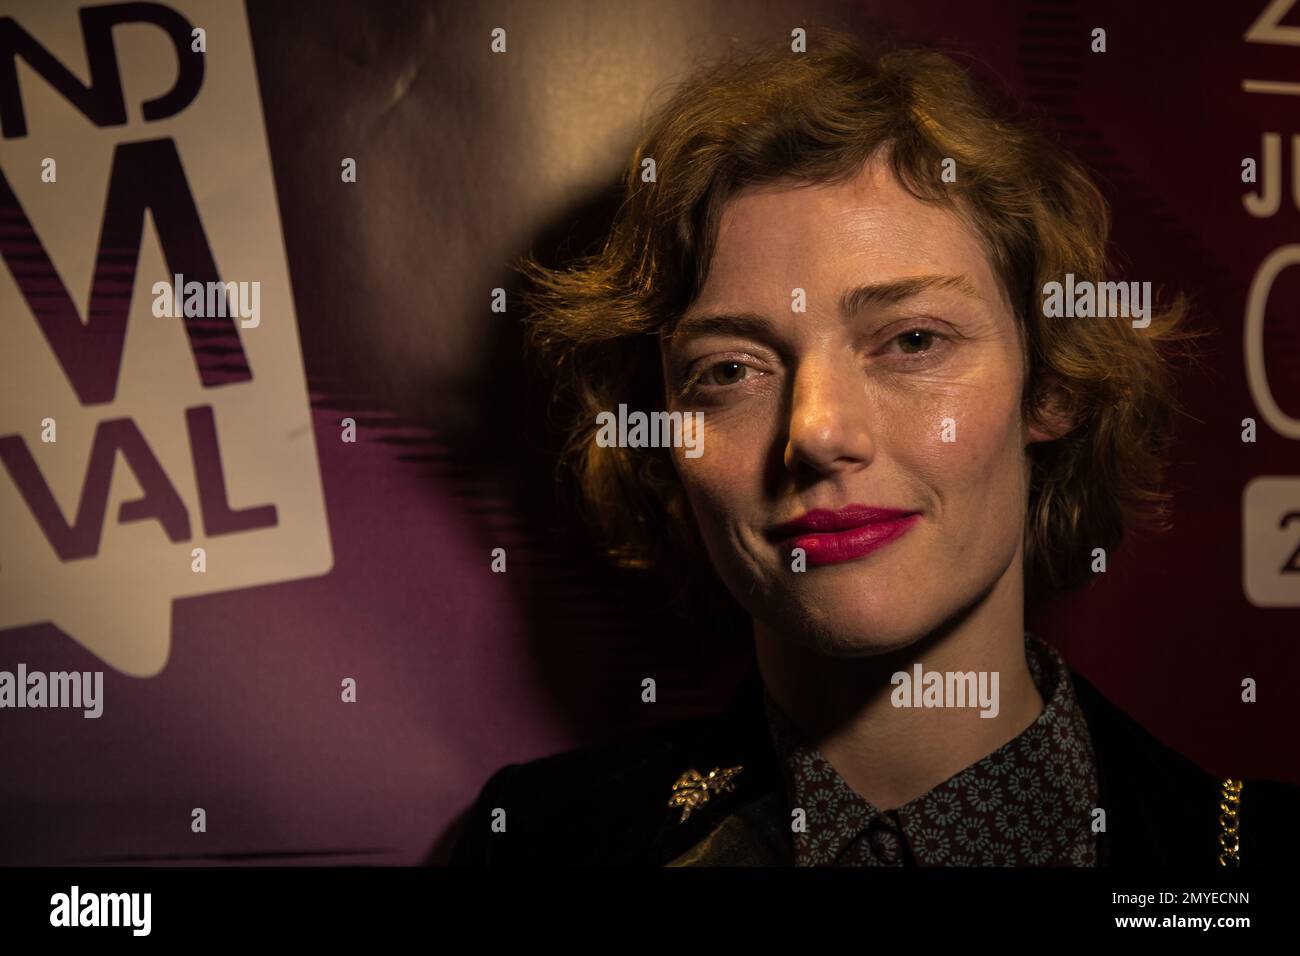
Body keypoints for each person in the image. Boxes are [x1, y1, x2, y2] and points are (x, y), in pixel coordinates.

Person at [449, 30, 1298, 866]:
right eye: (731, 369)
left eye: (914, 341)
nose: (817, 433)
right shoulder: (535, 841)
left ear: (1051, 386)